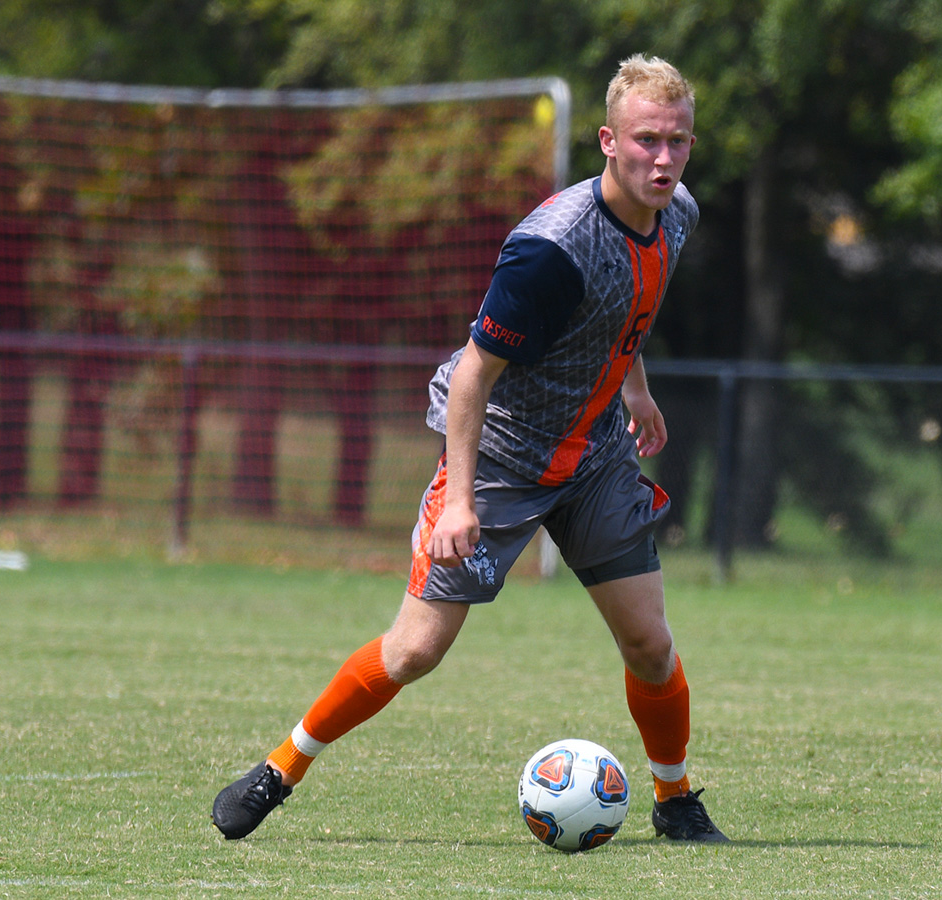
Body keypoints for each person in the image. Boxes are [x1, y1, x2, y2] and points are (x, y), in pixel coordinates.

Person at [213, 53, 727, 844]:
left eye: (679, 141)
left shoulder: (678, 213)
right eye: (647, 140)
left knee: (649, 643)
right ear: (606, 141)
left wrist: (634, 389)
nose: (664, 159)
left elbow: (629, 307)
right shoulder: (552, 248)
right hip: (502, 454)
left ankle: (677, 800)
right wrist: (459, 496)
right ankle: (282, 767)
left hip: (591, 456)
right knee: (416, 649)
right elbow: (472, 377)